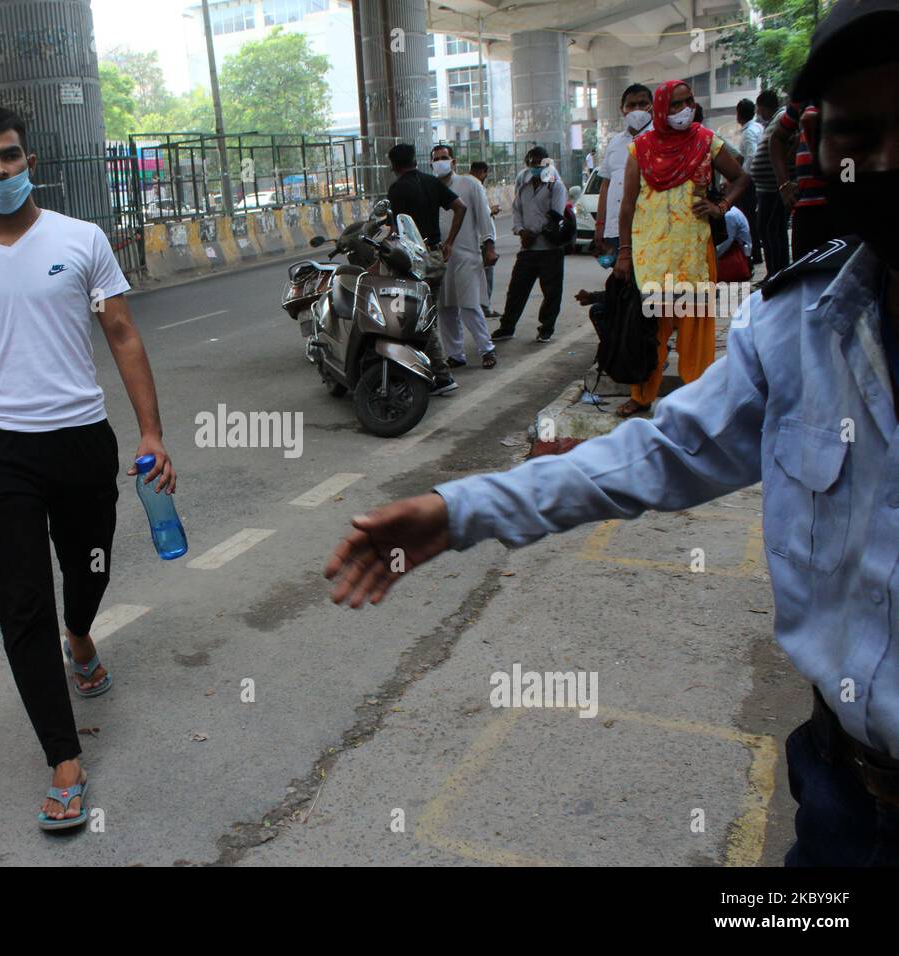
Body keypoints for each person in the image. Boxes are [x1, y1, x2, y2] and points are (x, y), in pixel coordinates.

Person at [325, 0, 899, 867]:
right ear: (822, 148)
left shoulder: (709, 169)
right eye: (861, 133)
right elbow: (659, 453)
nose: (885, 161)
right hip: (844, 798)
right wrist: (461, 511)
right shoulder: (799, 333)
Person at [0, 106, 176, 831]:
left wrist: (151, 432)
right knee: (20, 605)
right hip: (0, 453)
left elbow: (121, 333)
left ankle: (83, 634)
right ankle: (64, 760)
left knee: (89, 571)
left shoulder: (81, 239)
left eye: (8, 157)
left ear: (29, 159)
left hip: (81, 442)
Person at [611, 80, 750, 419]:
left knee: (695, 328)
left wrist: (722, 206)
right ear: (661, 108)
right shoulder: (640, 148)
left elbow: (742, 178)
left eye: (688, 101)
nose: (684, 109)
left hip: (694, 253)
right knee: (650, 330)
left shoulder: (705, 141)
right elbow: (627, 205)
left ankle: (697, 400)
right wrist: (625, 253)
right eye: (675, 104)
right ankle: (642, 396)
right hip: (650, 256)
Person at [386, 142, 468, 395]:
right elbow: (460, 207)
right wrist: (449, 242)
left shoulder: (398, 189)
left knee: (418, 317)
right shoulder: (432, 182)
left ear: (393, 165)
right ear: (415, 160)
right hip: (434, 256)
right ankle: (424, 369)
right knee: (426, 313)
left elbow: (394, 230)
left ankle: (441, 376)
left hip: (412, 260)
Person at [431, 144, 499, 370]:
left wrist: (489, 246)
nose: (440, 161)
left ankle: (486, 348)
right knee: (445, 307)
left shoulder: (470, 184)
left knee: (469, 305)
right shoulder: (430, 188)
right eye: (436, 158)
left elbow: (484, 216)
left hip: (467, 255)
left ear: (453, 161)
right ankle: (455, 354)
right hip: (440, 257)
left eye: (444, 157)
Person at [492, 146, 568, 344]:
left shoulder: (555, 185)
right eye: (531, 162)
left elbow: (556, 215)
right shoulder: (523, 180)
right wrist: (521, 230)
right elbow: (517, 209)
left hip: (549, 249)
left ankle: (546, 328)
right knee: (516, 289)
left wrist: (536, 232)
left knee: (551, 292)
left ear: (546, 163)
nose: (534, 166)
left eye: (538, 163)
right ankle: (507, 326)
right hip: (527, 249)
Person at [771, 97, 844, 259]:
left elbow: (851, 155)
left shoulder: (855, 95)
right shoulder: (806, 97)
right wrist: (783, 184)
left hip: (844, 206)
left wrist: (849, 185)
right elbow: (777, 139)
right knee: (805, 272)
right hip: (806, 207)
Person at [595, 82, 653, 259]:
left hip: (650, 229)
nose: (637, 109)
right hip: (616, 231)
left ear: (652, 107)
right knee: (621, 281)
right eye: (631, 105)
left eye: (642, 104)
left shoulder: (661, 140)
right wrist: (600, 225)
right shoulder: (615, 142)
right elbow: (606, 185)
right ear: (622, 109)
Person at [749, 90, 792, 274]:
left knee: (768, 228)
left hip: (775, 186)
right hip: (769, 186)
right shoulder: (775, 119)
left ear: (765, 107)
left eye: (760, 110)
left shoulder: (783, 117)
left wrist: (784, 180)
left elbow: (788, 143)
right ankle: (776, 271)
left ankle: (776, 272)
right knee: (772, 228)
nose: (759, 114)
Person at [469, 161, 502, 318]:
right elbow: (480, 215)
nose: (485, 177)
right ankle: (485, 306)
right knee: (486, 277)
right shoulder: (476, 186)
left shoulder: (468, 185)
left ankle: (480, 305)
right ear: (482, 172)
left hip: (478, 239)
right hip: (482, 240)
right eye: (485, 173)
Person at [735, 98, 765, 265]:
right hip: (758, 178)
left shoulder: (748, 132)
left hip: (750, 181)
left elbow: (751, 156)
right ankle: (756, 253)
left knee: (748, 219)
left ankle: (754, 254)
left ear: (739, 114)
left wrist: (743, 177)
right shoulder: (758, 127)